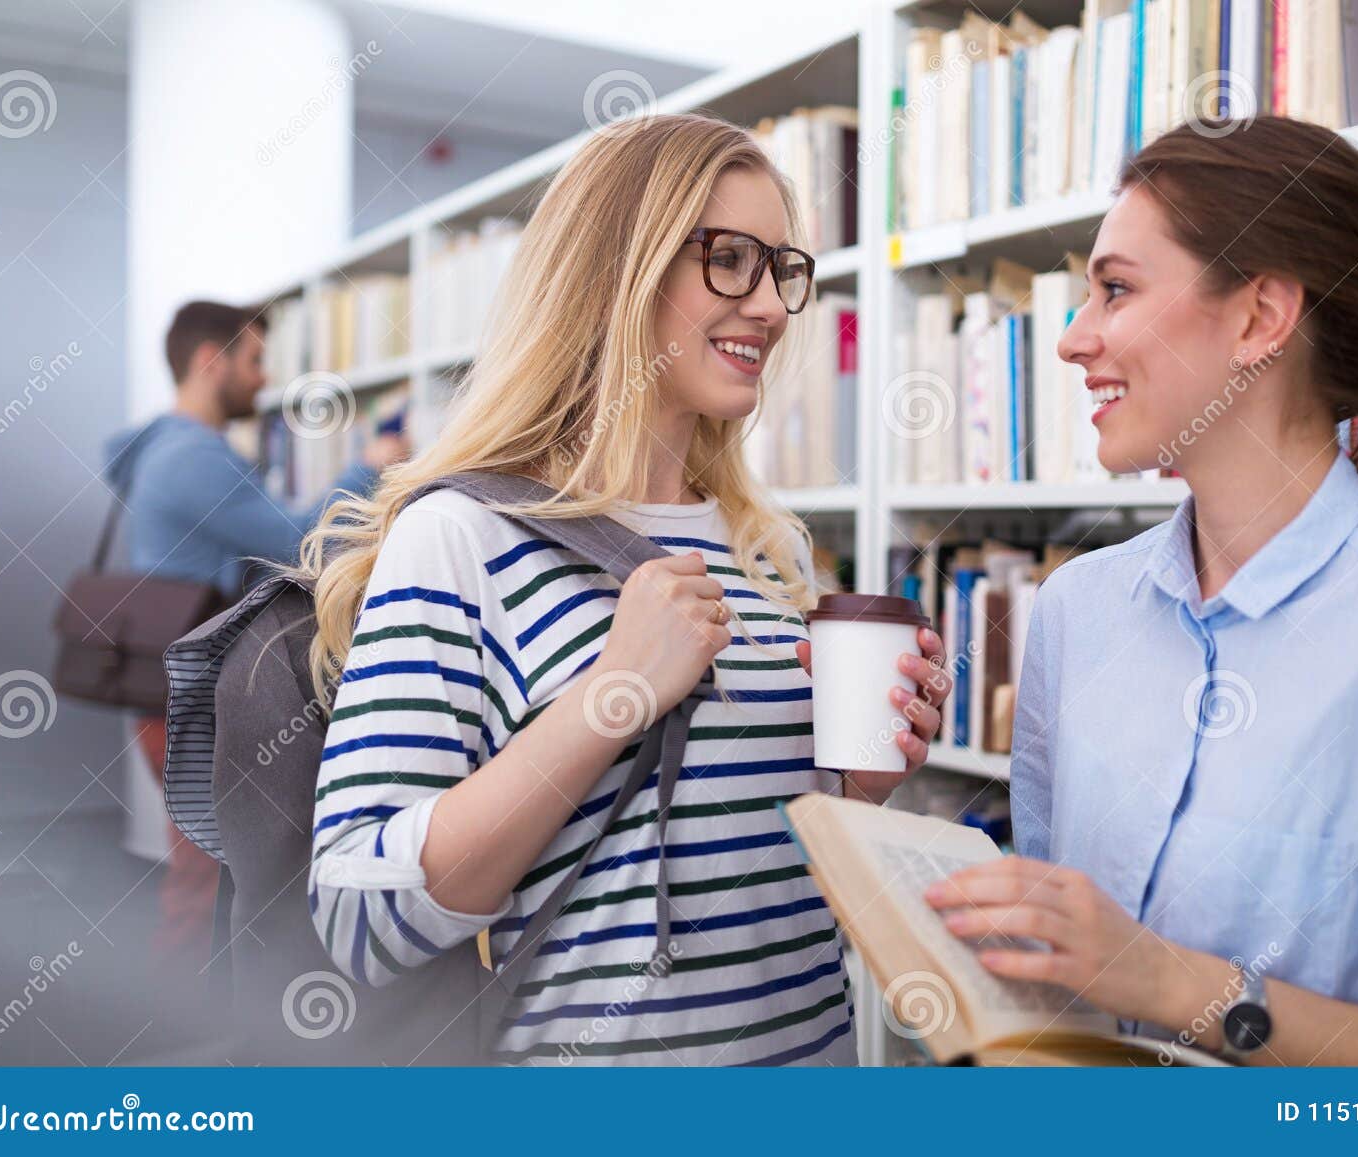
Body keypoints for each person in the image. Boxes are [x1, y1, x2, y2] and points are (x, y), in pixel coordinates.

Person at [297, 113, 951, 1065]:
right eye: (729, 258)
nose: (769, 305)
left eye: (782, 269)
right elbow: (359, 919)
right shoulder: (463, 535)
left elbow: (742, 866)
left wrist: (859, 789)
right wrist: (615, 694)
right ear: (617, 273)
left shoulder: (772, 553)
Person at [926, 115, 1358, 1066]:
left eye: (1114, 290)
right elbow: (1058, 985)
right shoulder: (1075, 612)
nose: (1073, 341)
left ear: (1260, 318)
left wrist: (1174, 982)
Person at [103, 300, 406, 962]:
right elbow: (298, 540)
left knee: (204, 862)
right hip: (184, 687)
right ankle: (180, 1034)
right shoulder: (192, 458)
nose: (264, 378)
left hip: (162, 680)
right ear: (211, 362)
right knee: (207, 869)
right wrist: (374, 463)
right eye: (254, 360)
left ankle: (183, 1022)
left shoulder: (163, 445)